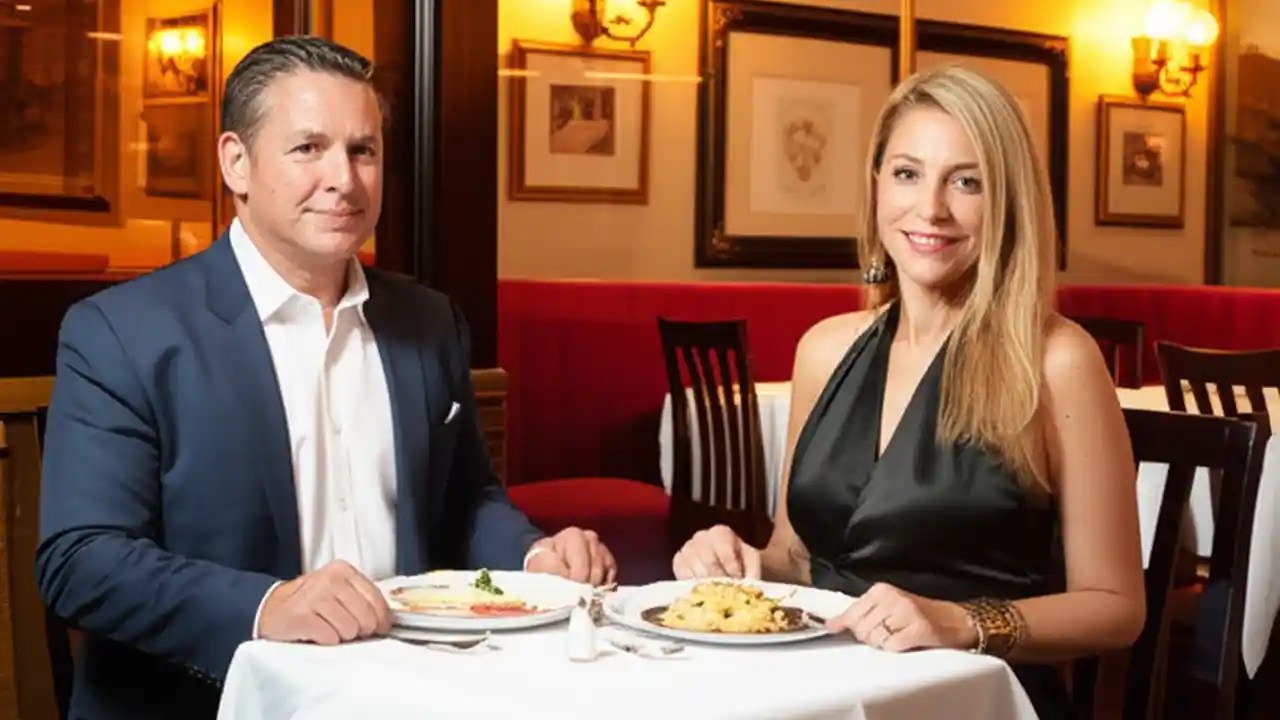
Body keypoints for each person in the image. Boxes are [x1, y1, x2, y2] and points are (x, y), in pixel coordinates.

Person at [36, 36, 615, 720]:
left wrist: (533, 556)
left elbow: (464, 501)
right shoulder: (122, 331)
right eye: (309, 148)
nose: (344, 178)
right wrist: (266, 606)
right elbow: (82, 562)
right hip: (208, 702)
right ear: (236, 162)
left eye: (362, 150)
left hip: (414, 694)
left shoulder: (430, 322)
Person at [671, 65, 1145, 718]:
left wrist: (959, 621)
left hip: (970, 696)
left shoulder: (1057, 359)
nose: (931, 209)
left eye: (967, 182)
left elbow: (1117, 608)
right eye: (907, 173)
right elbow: (797, 556)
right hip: (827, 683)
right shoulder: (824, 348)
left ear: (1008, 201)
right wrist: (736, 561)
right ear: (875, 185)